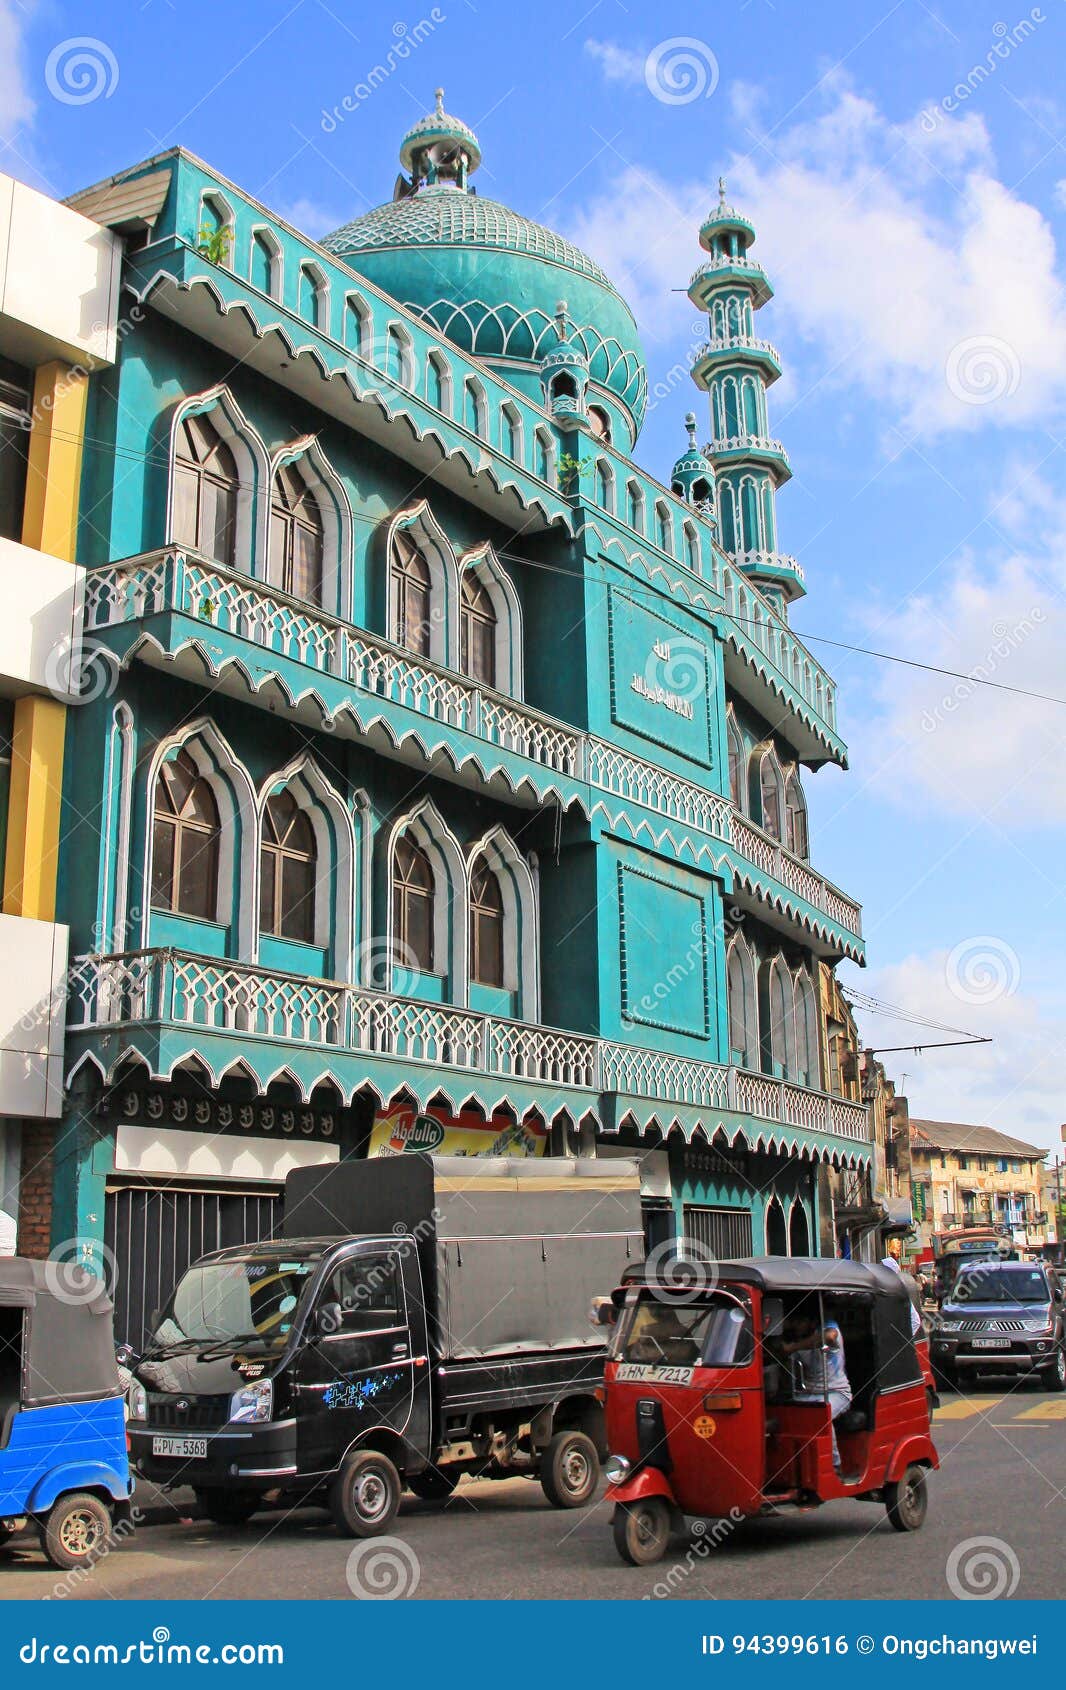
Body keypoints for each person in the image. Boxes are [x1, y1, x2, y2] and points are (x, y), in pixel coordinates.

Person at [780, 1314, 853, 1468]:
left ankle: (834, 1465)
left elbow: (830, 1337)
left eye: (799, 1321)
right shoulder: (795, 1338)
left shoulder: (828, 1327)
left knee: (821, 1416)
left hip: (837, 1392)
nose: (796, 1325)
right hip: (808, 1395)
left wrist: (793, 1348)